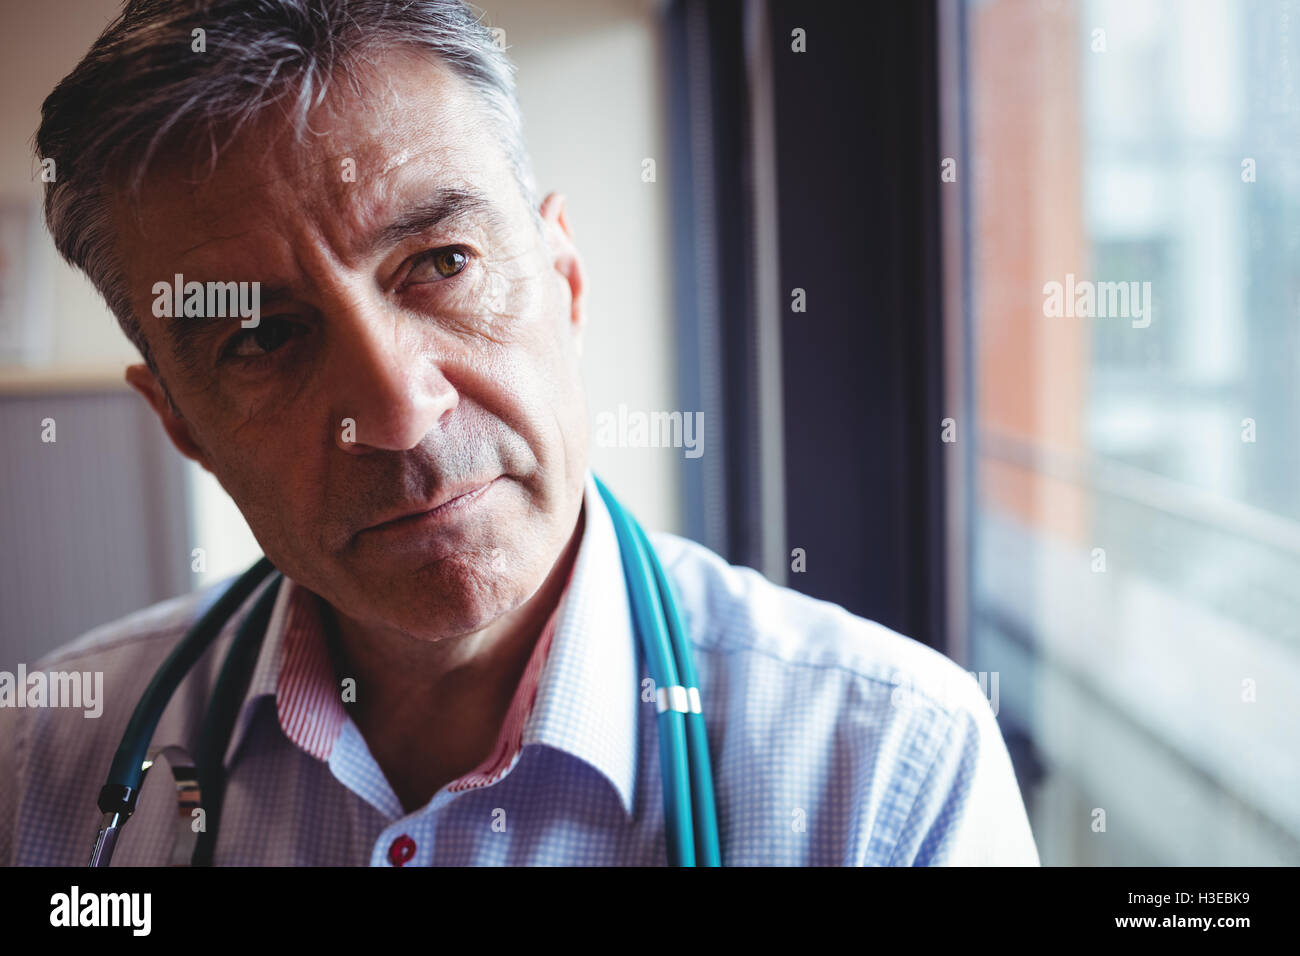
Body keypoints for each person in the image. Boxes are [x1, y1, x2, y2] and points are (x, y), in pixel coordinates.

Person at [0, 0, 1039, 866]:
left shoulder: (891, 774)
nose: (399, 411)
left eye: (441, 263)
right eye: (263, 337)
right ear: (181, 422)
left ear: (566, 280)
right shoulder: (36, 765)